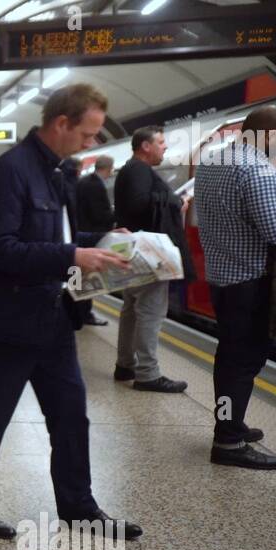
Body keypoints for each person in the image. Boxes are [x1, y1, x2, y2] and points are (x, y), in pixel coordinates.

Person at [0, 83, 142, 541]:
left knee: (71, 414)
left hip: (52, 313)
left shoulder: (55, 172)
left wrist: (98, 236)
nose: (92, 143)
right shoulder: (12, 171)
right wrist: (72, 255)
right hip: (13, 316)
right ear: (62, 123)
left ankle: (78, 506)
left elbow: (56, 233)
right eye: (89, 133)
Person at [194, 106, 276, 470]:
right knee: (242, 362)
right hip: (250, 281)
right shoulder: (257, 169)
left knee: (229, 358)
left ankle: (231, 423)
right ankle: (228, 442)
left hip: (222, 276)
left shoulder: (213, 160)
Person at [113, 126, 192, 392]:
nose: (165, 147)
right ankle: (147, 374)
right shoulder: (139, 170)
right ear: (145, 146)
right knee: (150, 311)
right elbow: (139, 204)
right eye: (160, 142)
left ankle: (126, 364)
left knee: (131, 309)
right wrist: (173, 201)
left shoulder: (131, 169)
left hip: (137, 249)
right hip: (150, 253)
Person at [75, 155, 116, 326]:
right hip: (91, 237)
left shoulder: (84, 182)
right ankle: (84, 315)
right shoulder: (96, 185)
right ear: (109, 168)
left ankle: (79, 313)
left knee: (79, 279)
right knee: (88, 280)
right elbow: (100, 215)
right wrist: (115, 214)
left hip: (80, 235)